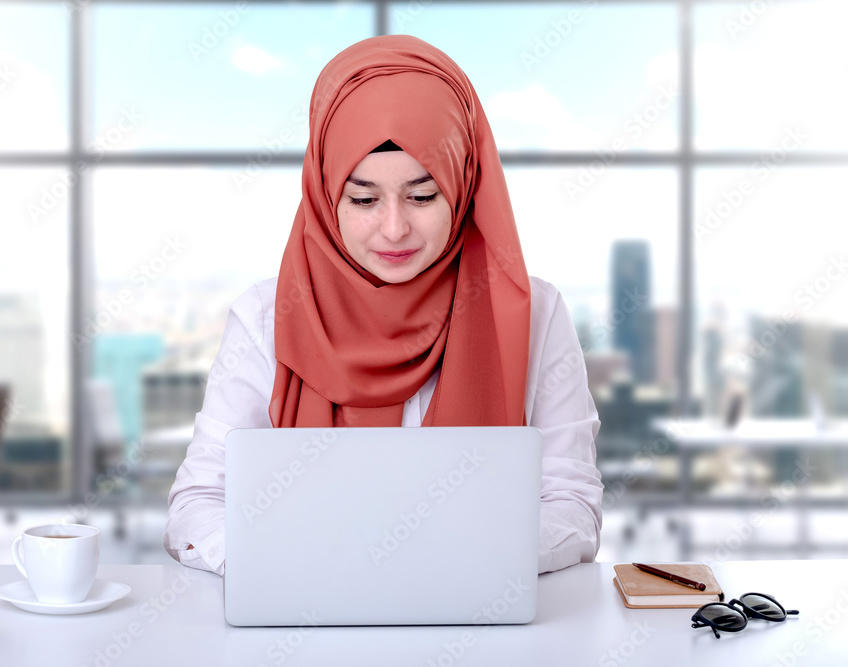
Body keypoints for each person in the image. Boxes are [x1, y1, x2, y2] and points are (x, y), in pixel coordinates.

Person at [164, 34, 602, 575]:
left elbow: (573, 505)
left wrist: (456, 560)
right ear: (326, 197)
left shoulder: (532, 313)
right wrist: (285, 563)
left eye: (423, 196)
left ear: (464, 188)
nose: (394, 228)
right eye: (364, 199)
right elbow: (198, 503)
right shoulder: (265, 316)